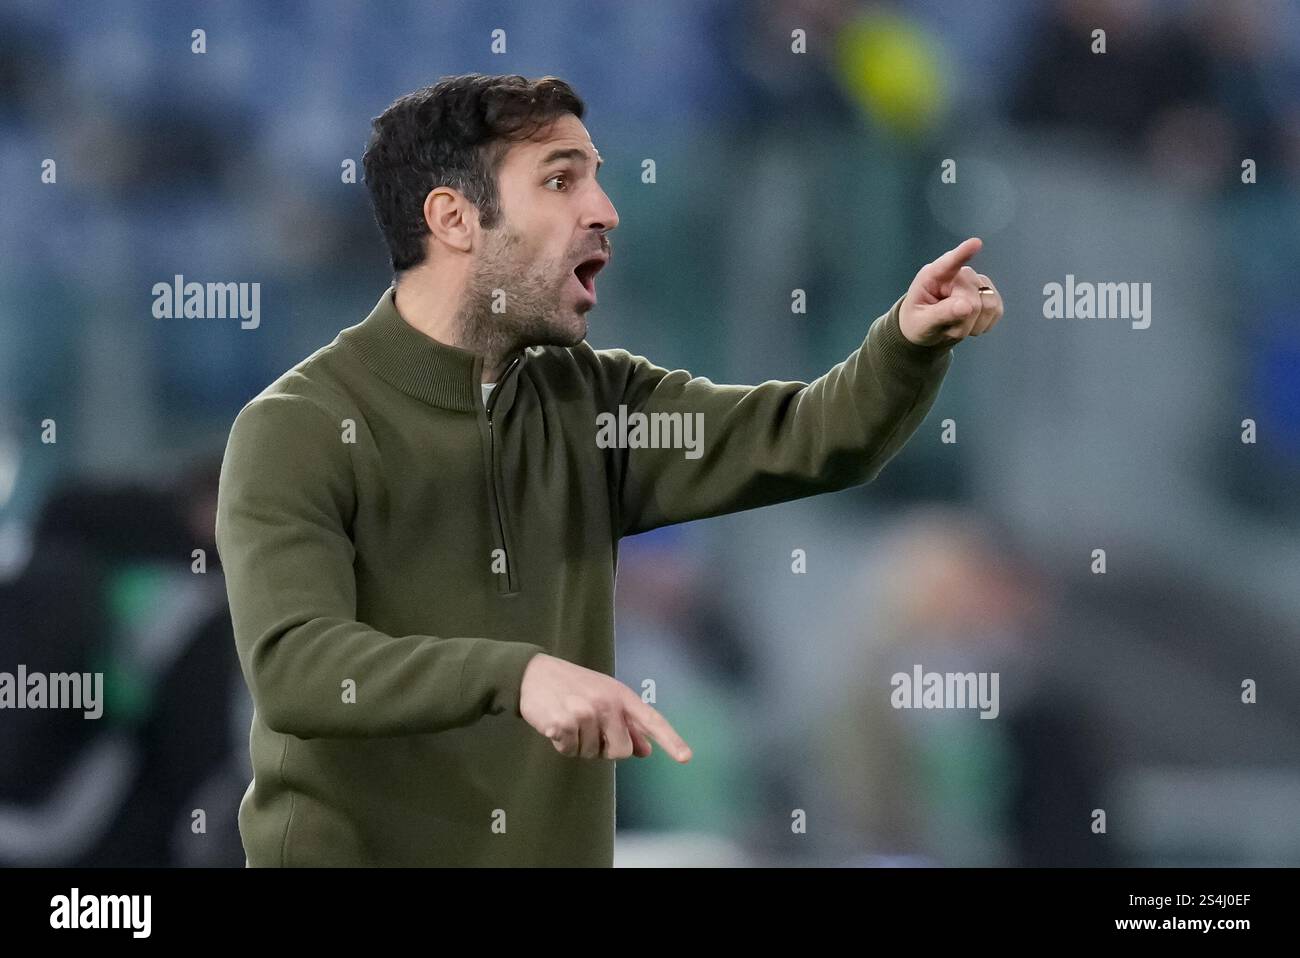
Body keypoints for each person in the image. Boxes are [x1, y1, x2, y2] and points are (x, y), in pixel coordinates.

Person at [214, 72, 1004, 867]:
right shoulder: (297, 428)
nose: (605, 210)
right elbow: (297, 668)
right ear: (453, 218)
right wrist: (514, 674)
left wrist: (907, 343)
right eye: (561, 180)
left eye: (595, 178)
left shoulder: (595, 402)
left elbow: (811, 436)